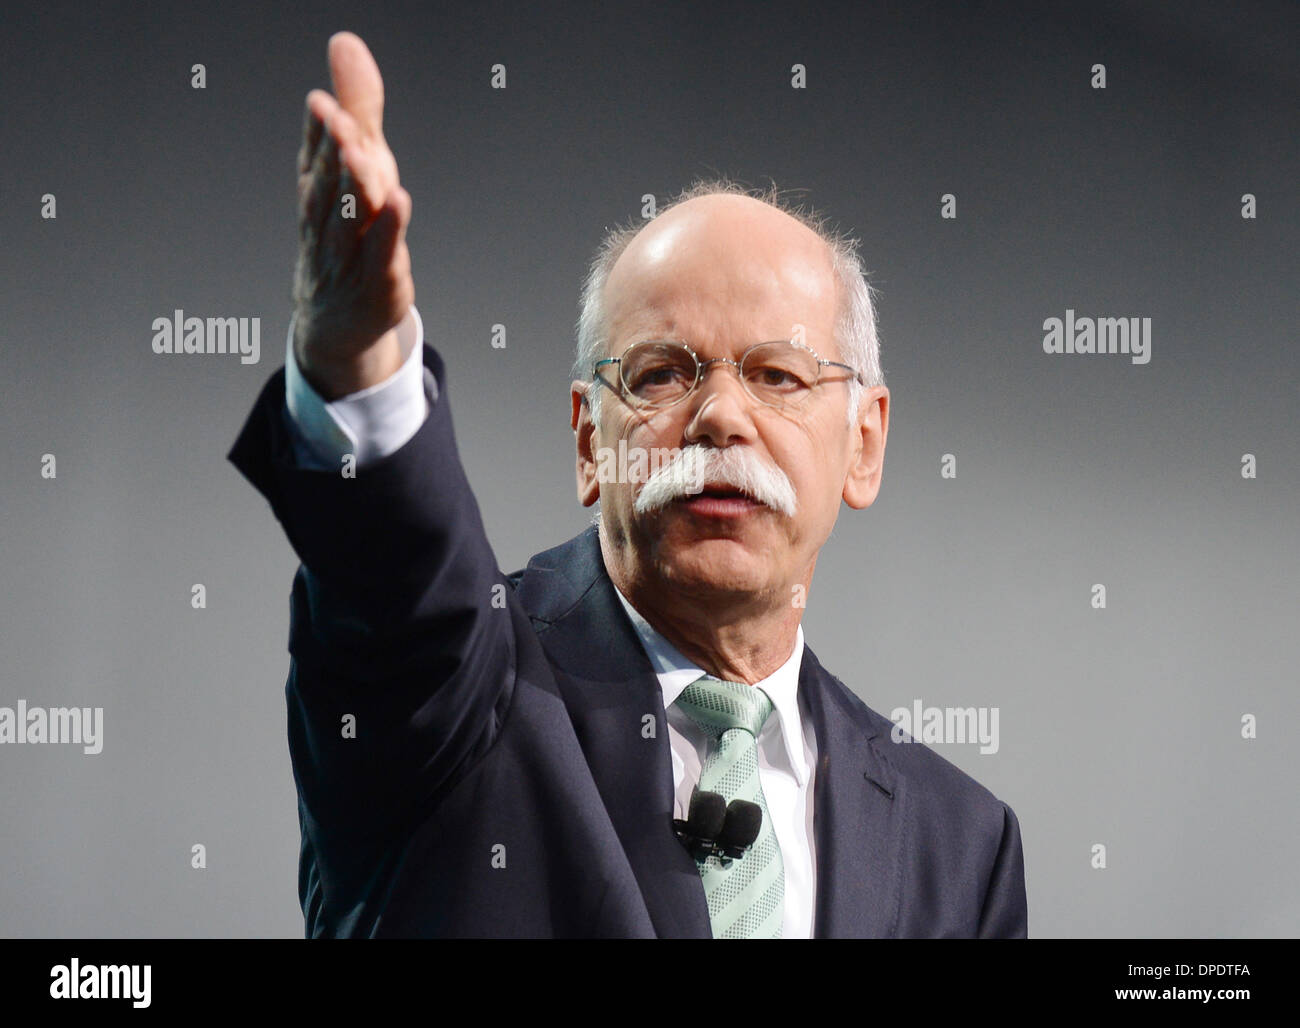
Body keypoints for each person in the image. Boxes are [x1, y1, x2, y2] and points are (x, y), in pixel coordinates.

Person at [228, 31, 1027, 938]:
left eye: (778, 375)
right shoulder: (458, 693)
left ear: (864, 444)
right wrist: (359, 363)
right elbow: (396, 589)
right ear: (586, 440)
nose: (721, 416)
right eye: (660, 375)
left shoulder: (961, 844)